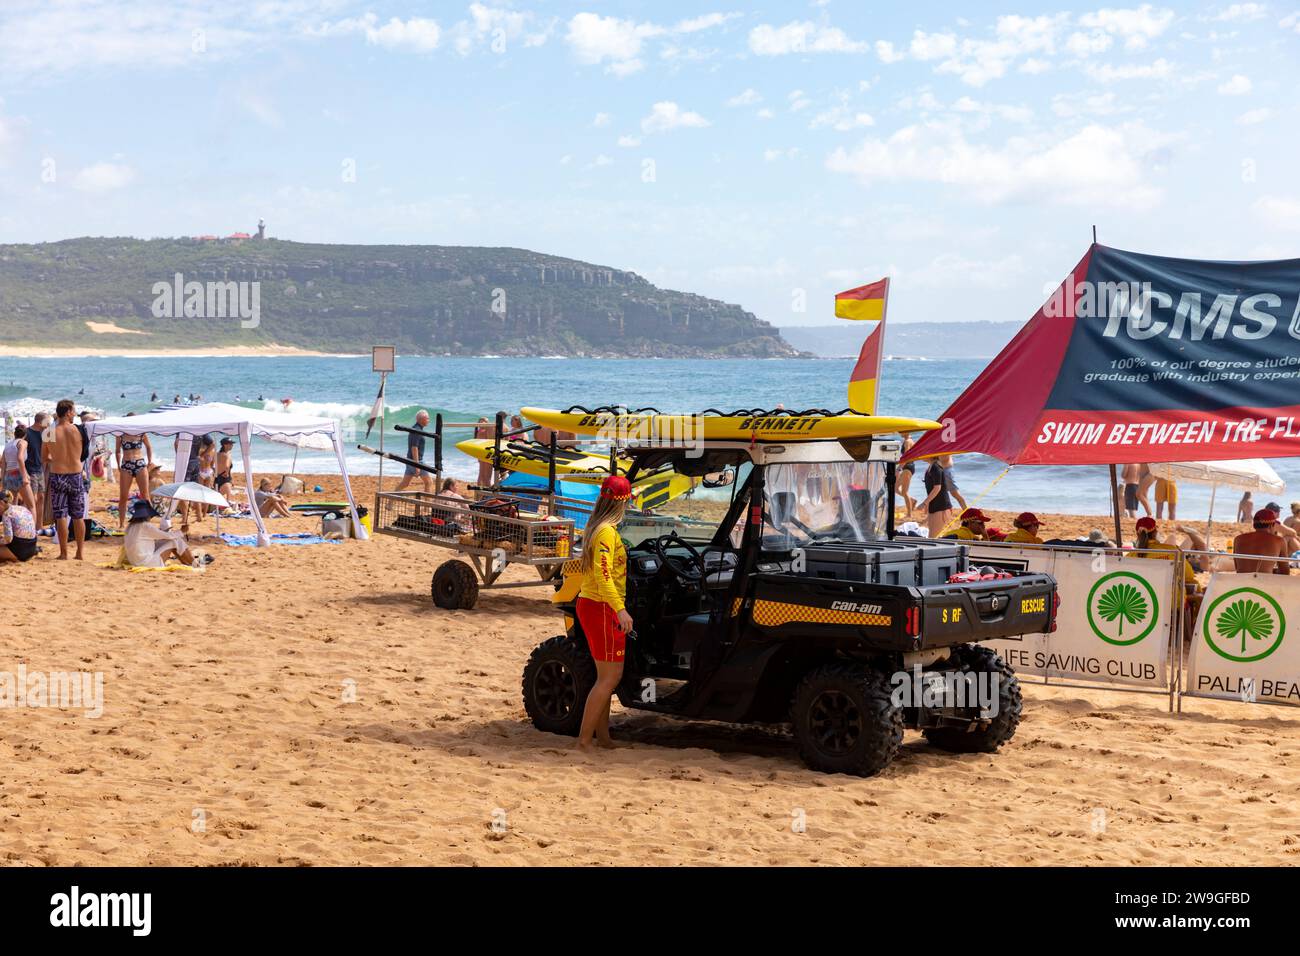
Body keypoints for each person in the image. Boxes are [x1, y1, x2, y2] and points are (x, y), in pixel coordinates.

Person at [576, 475, 634, 752]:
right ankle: (585, 741)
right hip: (601, 606)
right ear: (622, 504)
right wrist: (619, 609)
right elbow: (603, 573)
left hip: (594, 604)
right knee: (609, 678)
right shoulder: (607, 532)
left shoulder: (598, 527)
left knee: (605, 677)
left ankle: (602, 737)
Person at [43, 399, 86, 560]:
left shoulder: (49, 432)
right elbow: (83, 453)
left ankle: (63, 553)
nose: (74, 413)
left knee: (61, 515)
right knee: (78, 515)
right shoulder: (79, 430)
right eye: (73, 411)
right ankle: (80, 553)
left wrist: (56, 457)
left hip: (58, 475)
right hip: (75, 474)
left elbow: (44, 457)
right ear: (68, 412)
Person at [124, 500, 205, 567]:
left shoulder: (130, 527)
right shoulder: (145, 526)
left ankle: (188, 563)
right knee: (175, 540)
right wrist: (182, 531)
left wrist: (164, 533)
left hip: (135, 561)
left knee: (172, 540)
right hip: (146, 563)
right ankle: (194, 563)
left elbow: (150, 538)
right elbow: (168, 536)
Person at [114, 413, 153, 530]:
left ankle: (148, 523)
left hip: (140, 464)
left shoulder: (141, 433)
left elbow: (149, 447)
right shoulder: (120, 434)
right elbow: (117, 451)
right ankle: (121, 524)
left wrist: (150, 461)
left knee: (145, 496)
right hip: (126, 465)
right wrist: (118, 464)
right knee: (123, 496)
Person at [1132, 516, 1197, 583]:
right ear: (1155, 533)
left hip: (1141, 592)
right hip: (1169, 592)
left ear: (1137, 534)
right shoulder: (1172, 552)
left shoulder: (1129, 556)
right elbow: (1189, 576)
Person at [1231, 510, 1291, 575]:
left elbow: (1238, 568)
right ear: (1271, 525)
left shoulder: (1238, 539)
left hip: (1241, 582)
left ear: (1254, 525)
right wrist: (1271, 570)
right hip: (1264, 583)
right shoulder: (1279, 541)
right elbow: (1285, 572)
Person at [921, 455, 965, 538]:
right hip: (934, 506)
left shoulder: (936, 467)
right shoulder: (930, 467)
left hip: (942, 508)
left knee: (932, 538)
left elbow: (937, 488)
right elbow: (931, 489)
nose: (920, 455)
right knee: (932, 537)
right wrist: (928, 504)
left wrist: (924, 503)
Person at [395, 410, 434, 493]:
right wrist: (417, 466)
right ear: (422, 419)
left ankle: (389, 503)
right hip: (417, 461)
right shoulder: (417, 430)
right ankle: (427, 506)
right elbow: (414, 448)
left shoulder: (416, 428)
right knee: (429, 482)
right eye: (427, 418)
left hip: (409, 460)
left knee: (405, 484)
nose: (428, 420)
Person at [0, 489, 38, 563]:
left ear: (1, 503)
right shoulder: (22, 508)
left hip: (21, 551)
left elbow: (8, 539)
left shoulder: (6, 514)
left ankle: (14, 558)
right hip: (32, 547)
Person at [3, 424, 35, 512]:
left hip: (9, 476)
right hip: (18, 475)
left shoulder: (7, 445)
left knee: (12, 508)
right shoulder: (23, 442)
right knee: (31, 506)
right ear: (25, 435)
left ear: (14, 434)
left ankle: (13, 526)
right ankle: (32, 526)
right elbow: (20, 458)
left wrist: (3, 481)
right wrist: (25, 476)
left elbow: (3, 463)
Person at [24, 411, 46, 525]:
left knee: (41, 497)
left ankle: (39, 525)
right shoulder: (27, 432)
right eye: (47, 421)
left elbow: (52, 445)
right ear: (41, 421)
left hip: (39, 468)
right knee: (32, 499)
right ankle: (30, 525)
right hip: (30, 469)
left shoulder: (44, 433)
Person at [897, 437, 917, 518]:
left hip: (908, 467)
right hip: (907, 467)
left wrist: (898, 469)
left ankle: (909, 514)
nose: (900, 433)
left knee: (904, 492)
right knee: (895, 488)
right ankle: (912, 500)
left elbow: (907, 456)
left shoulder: (908, 441)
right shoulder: (908, 441)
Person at [215, 438, 235, 503]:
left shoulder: (217, 454)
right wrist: (226, 472)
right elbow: (227, 466)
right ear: (225, 445)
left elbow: (212, 465)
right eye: (231, 444)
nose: (232, 445)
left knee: (218, 499)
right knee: (228, 500)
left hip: (217, 477)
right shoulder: (227, 455)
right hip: (225, 479)